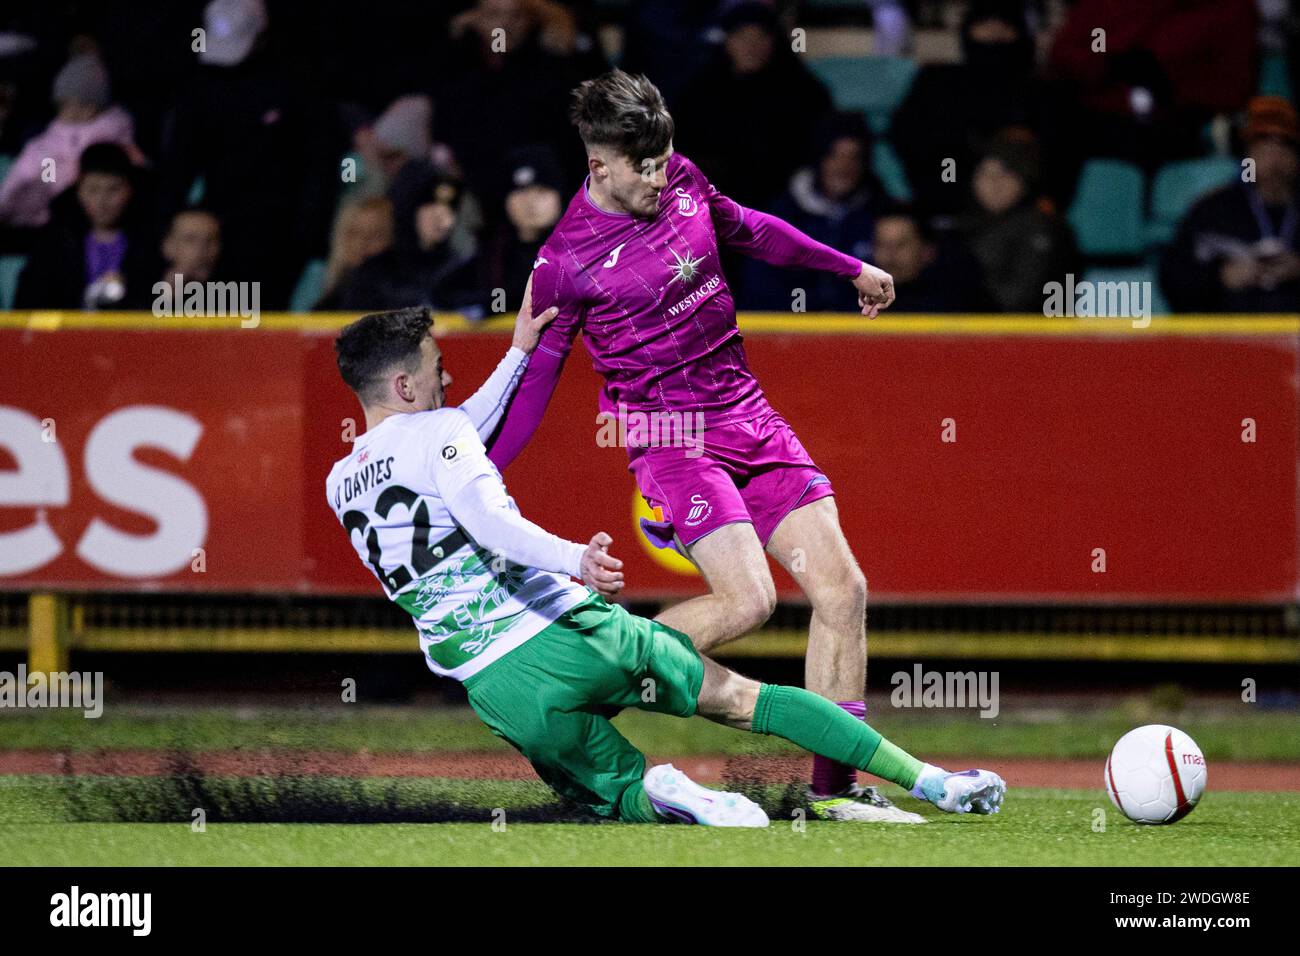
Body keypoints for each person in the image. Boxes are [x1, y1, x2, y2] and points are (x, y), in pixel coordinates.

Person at [327, 304, 1007, 826]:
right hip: (570, 634)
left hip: (496, 688)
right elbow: (488, 521)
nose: (447, 374)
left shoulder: (342, 482)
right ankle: (930, 781)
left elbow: (459, 427)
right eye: (435, 364)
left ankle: (668, 790)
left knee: (618, 798)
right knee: (744, 699)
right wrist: (576, 558)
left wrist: (519, 352)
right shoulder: (442, 433)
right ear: (405, 384)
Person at [485, 70, 913, 823]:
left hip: (749, 414)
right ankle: (577, 675)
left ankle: (835, 793)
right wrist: (473, 476)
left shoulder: (679, 176)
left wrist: (848, 267)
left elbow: (749, 227)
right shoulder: (562, 263)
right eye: (642, 166)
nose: (658, 176)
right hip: (671, 439)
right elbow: (533, 388)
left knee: (843, 591)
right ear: (600, 167)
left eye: (663, 158)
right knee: (749, 602)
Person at [1160, 96, 1300, 313]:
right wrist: (1220, 276)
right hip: (1230, 336)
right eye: (1263, 148)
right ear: (1247, 155)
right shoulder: (1212, 210)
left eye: (1284, 147)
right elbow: (1174, 279)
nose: (1274, 160)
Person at [740, 112, 884, 312]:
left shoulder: (881, 213)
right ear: (818, 159)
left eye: (853, 157)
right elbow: (760, 287)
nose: (844, 167)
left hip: (862, 331)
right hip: (790, 332)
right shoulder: (782, 215)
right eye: (834, 155)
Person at [0, 53, 140, 231]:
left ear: (98, 106)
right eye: (66, 105)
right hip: (44, 209)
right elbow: (42, 173)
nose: (72, 112)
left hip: (85, 211)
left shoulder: (115, 134)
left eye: (82, 105)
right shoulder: (49, 139)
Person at [15, 141, 154, 310]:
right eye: (93, 189)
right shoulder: (55, 241)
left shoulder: (152, 241)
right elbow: (30, 302)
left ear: (129, 190)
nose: (102, 201)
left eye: (113, 190)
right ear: (79, 190)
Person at [958, 133, 1077, 313]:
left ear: (1025, 178)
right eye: (985, 174)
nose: (993, 184)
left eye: (1005, 174)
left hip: (1029, 333)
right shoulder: (964, 224)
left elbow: (1018, 300)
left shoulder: (1043, 228)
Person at [872, 207, 991, 313]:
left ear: (927, 251)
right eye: (882, 244)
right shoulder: (861, 300)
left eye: (901, 245)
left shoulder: (956, 304)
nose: (890, 254)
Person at [315, 197, 395, 311]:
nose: (361, 243)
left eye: (376, 234)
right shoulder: (320, 281)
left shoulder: (399, 298)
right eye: (354, 233)